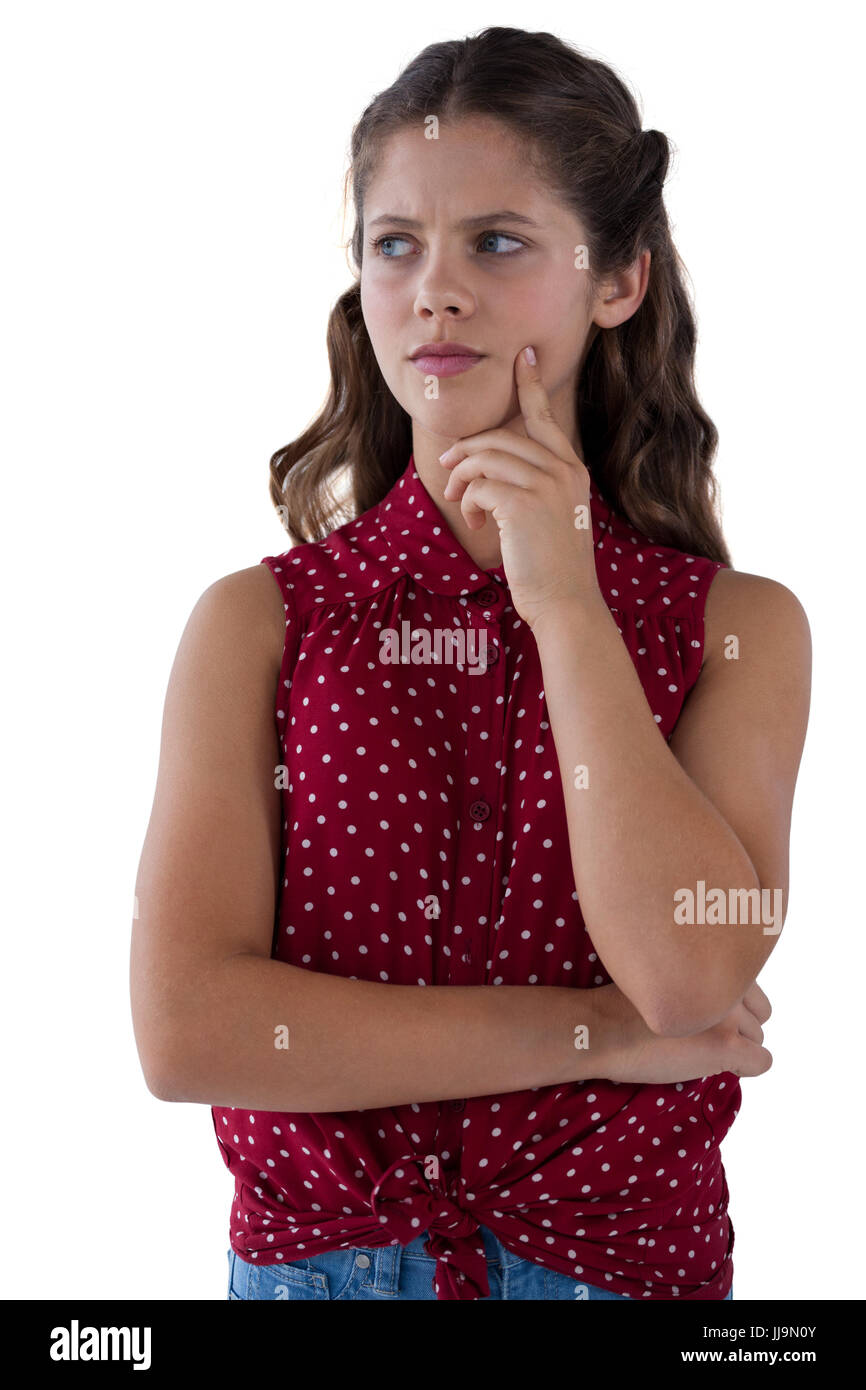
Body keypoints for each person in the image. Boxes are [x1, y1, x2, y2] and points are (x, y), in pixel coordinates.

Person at [131, 26, 810, 1301]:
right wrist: (593, 1038)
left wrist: (563, 602)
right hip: (315, 1278)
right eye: (396, 244)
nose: (433, 290)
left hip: (616, 1277)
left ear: (614, 280)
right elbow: (188, 1032)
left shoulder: (735, 627)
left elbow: (686, 974)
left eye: (495, 242)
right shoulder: (258, 626)